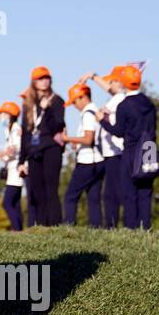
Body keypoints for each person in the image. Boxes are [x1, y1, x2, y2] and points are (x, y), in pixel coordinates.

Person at [97, 64, 157, 229]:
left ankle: (131, 226)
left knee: (130, 192)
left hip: (131, 150)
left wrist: (103, 120)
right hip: (149, 148)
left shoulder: (124, 105)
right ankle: (146, 226)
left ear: (123, 82)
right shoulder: (149, 103)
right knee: (145, 190)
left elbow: (118, 131)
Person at [83, 67, 132, 228]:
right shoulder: (118, 97)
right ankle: (114, 224)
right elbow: (108, 88)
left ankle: (113, 225)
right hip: (111, 152)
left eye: (112, 80)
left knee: (113, 193)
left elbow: (109, 93)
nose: (109, 83)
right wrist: (93, 76)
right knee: (112, 191)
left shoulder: (120, 98)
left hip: (116, 152)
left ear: (119, 82)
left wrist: (102, 115)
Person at [18, 67, 65, 226]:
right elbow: (25, 133)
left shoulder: (56, 100)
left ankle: (55, 225)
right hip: (34, 151)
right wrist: (21, 160)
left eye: (46, 78)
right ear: (34, 82)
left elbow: (57, 126)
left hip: (51, 148)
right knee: (36, 190)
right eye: (40, 78)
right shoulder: (28, 103)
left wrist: (48, 109)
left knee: (51, 189)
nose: (44, 81)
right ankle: (41, 225)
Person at [59, 82, 105, 226]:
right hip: (99, 160)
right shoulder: (95, 111)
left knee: (70, 196)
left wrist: (67, 138)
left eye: (74, 102)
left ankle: (68, 227)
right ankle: (96, 229)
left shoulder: (87, 114)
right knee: (93, 197)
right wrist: (76, 143)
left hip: (87, 162)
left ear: (83, 97)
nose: (74, 105)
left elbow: (88, 138)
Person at [0, 101, 24, 231]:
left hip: (16, 169)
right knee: (15, 203)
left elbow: (15, 149)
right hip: (13, 168)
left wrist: (0, 154)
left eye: (2, 114)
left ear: (10, 115)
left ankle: (16, 229)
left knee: (7, 203)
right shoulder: (10, 129)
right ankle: (18, 228)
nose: (0, 117)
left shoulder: (16, 129)